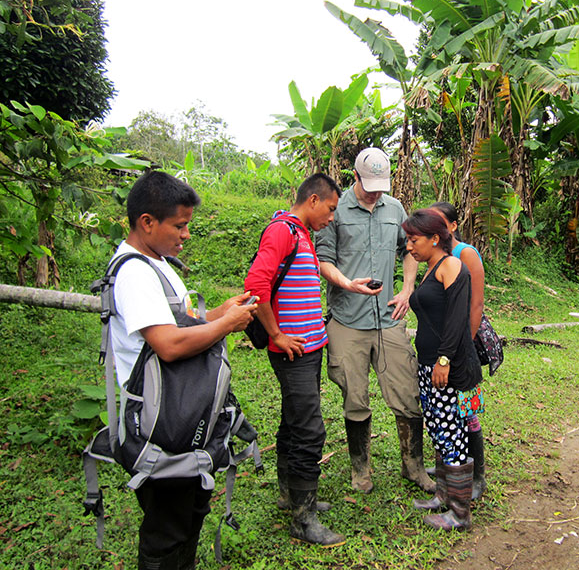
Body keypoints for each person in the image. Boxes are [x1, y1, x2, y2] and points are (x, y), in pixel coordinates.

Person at [110, 171, 257, 569]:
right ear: (147, 222)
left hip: (181, 412)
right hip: (162, 423)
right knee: (167, 532)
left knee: (188, 518)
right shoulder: (136, 273)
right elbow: (170, 345)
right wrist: (228, 325)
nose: (185, 235)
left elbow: (183, 324)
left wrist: (222, 311)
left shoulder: (156, 262)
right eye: (180, 225)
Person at [315, 148, 435, 494]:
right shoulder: (336, 212)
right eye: (369, 185)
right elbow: (324, 260)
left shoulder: (395, 209)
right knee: (354, 397)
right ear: (354, 176)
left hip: (388, 318)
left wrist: (408, 288)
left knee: (407, 394)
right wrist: (345, 283)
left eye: (381, 186)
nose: (376, 192)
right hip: (347, 321)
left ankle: (414, 467)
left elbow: (410, 251)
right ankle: (360, 470)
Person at [244, 173, 345, 547]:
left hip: (309, 348)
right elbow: (256, 285)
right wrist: (276, 334)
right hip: (292, 351)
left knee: (293, 419)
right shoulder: (282, 231)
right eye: (331, 209)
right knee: (310, 429)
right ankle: (304, 519)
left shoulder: (303, 233)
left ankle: (292, 495)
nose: (332, 217)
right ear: (314, 200)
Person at [403, 209, 482, 531]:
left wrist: (444, 359)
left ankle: (460, 513)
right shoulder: (431, 267)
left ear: (435, 238)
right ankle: (444, 495)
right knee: (438, 429)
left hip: (445, 368)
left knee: (452, 433)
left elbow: (456, 319)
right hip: (429, 366)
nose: (409, 247)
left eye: (414, 240)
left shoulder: (452, 265)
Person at [430, 201, 488, 500]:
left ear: (453, 225)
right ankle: (452, 467)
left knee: (467, 411)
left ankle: (477, 475)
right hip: (443, 344)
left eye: (440, 222)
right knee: (447, 410)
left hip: (461, 344)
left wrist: (463, 346)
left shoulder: (464, 254)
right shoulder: (431, 255)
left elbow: (475, 304)